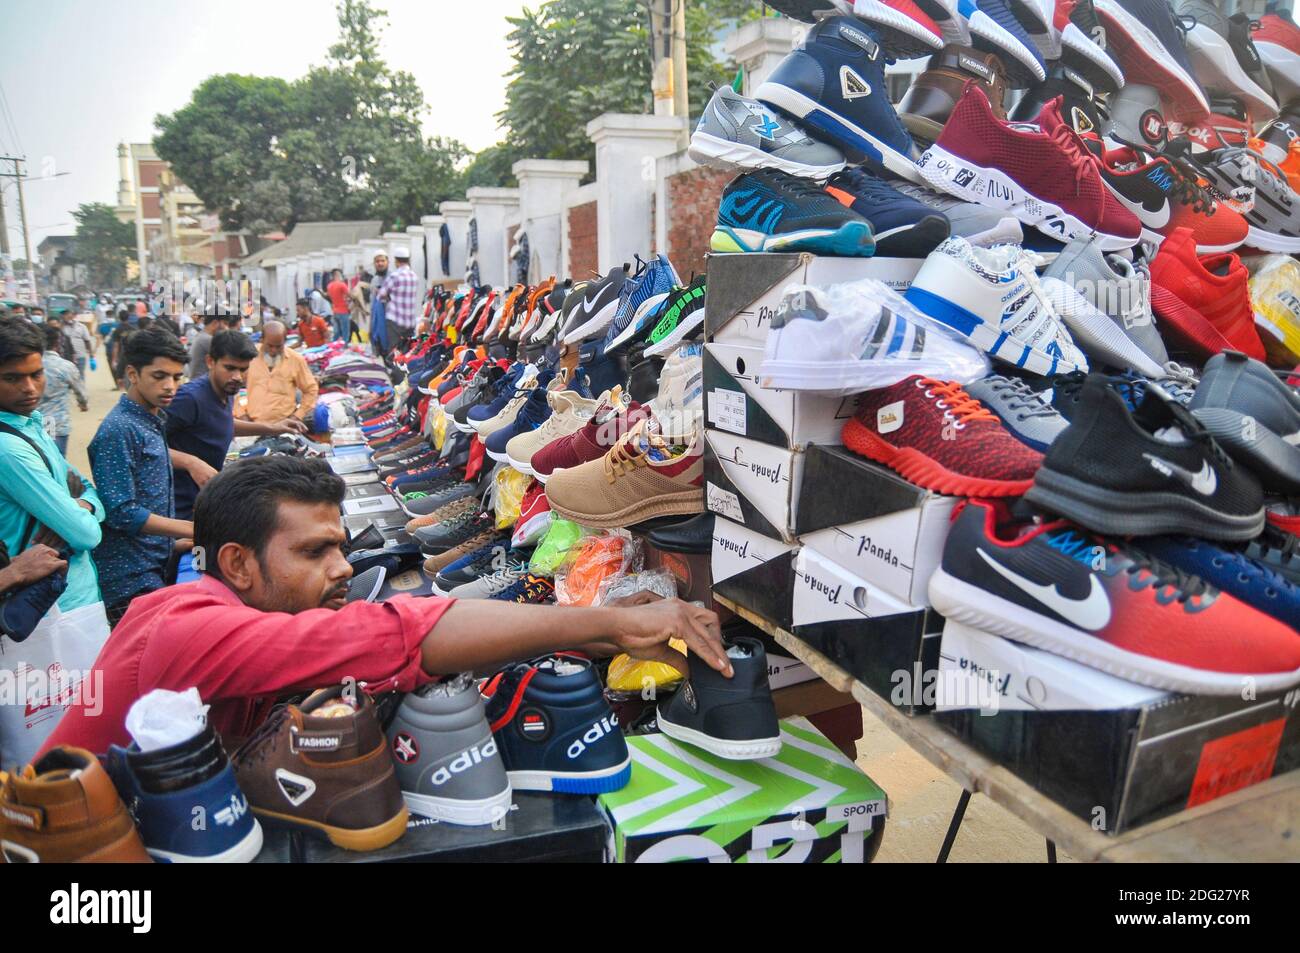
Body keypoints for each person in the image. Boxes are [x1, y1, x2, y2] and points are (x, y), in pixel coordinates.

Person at [38, 455, 728, 756]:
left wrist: (597, 638)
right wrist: (609, 617)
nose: (343, 568)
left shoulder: (212, 608)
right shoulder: (190, 630)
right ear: (237, 564)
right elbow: (394, 633)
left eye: (339, 545)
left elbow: (391, 629)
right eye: (313, 553)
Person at [0, 318, 110, 770]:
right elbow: (89, 534)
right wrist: (83, 510)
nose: (30, 387)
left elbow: (89, 491)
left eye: (36, 373)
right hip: (46, 609)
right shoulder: (9, 448)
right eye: (12, 378)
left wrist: (83, 505)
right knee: (48, 744)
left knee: (82, 729)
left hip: (72, 600)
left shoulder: (31, 424)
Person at [89, 328, 196, 627]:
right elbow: (122, 512)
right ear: (133, 374)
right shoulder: (119, 430)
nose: (170, 386)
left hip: (151, 562)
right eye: (159, 376)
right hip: (129, 579)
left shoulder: (150, 419)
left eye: (176, 377)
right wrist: (193, 529)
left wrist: (174, 543)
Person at [166, 330, 306, 521]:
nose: (237, 377)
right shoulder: (189, 399)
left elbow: (219, 425)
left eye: (243, 369)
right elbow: (146, 444)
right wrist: (191, 463)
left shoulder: (226, 391)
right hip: (180, 506)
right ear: (210, 362)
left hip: (204, 498)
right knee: (200, 551)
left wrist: (273, 427)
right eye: (230, 368)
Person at [240, 320, 319, 428]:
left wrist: (297, 416)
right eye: (270, 346)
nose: (274, 350)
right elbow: (233, 387)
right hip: (252, 425)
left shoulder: (296, 360)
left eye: (278, 346)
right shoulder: (249, 356)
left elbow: (311, 390)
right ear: (262, 340)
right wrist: (241, 414)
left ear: (285, 342)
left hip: (284, 426)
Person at [37, 324, 88, 456]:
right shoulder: (66, 367)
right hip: (57, 424)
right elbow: (81, 393)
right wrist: (83, 404)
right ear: (58, 343)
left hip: (29, 424)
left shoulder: (25, 366)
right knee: (56, 465)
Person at [379, 246, 421, 355]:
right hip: (410, 321)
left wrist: (388, 297)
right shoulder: (414, 276)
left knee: (394, 350)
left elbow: (381, 295)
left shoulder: (394, 276)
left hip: (395, 320)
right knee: (407, 349)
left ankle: (395, 370)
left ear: (396, 261)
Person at [187, 312, 222, 377]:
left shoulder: (201, 335)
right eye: (225, 324)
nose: (227, 328)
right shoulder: (208, 339)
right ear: (215, 323)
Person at [369, 251, 389, 356]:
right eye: (377, 261)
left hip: (391, 325)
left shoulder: (393, 278)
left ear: (387, 262)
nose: (380, 263)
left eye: (382, 261)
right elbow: (373, 306)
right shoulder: (374, 280)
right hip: (378, 322)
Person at [326, 268, 350, 342]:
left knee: (336, 332)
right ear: (337, 274)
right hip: (343, 310)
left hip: (335, 311)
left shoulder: (329, 286)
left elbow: (330, 297)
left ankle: (335, 346)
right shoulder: (342, 285)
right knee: (345, 332)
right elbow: (349, 295)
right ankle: (344, 347)